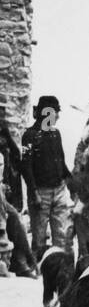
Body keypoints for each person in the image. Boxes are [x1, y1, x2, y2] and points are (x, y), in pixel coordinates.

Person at [21, 95, 74, 257]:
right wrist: (34, 193)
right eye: (55, 112)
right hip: (40, 193)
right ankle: (39, 272)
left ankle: (59, 270)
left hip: (58, 191)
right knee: (39, 237)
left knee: (61, 235)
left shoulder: (55, 134)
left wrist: (72, 185)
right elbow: (26, 166)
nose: (57, 116)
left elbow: (61, 163)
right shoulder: (30, 135)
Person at [0, 117, 36, 276]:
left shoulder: (4, 136)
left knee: (13, 217)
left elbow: (17, 155)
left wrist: (6, 134)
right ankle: (25, 259)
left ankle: (21, 263)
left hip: (2, 190)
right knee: (10, 216)